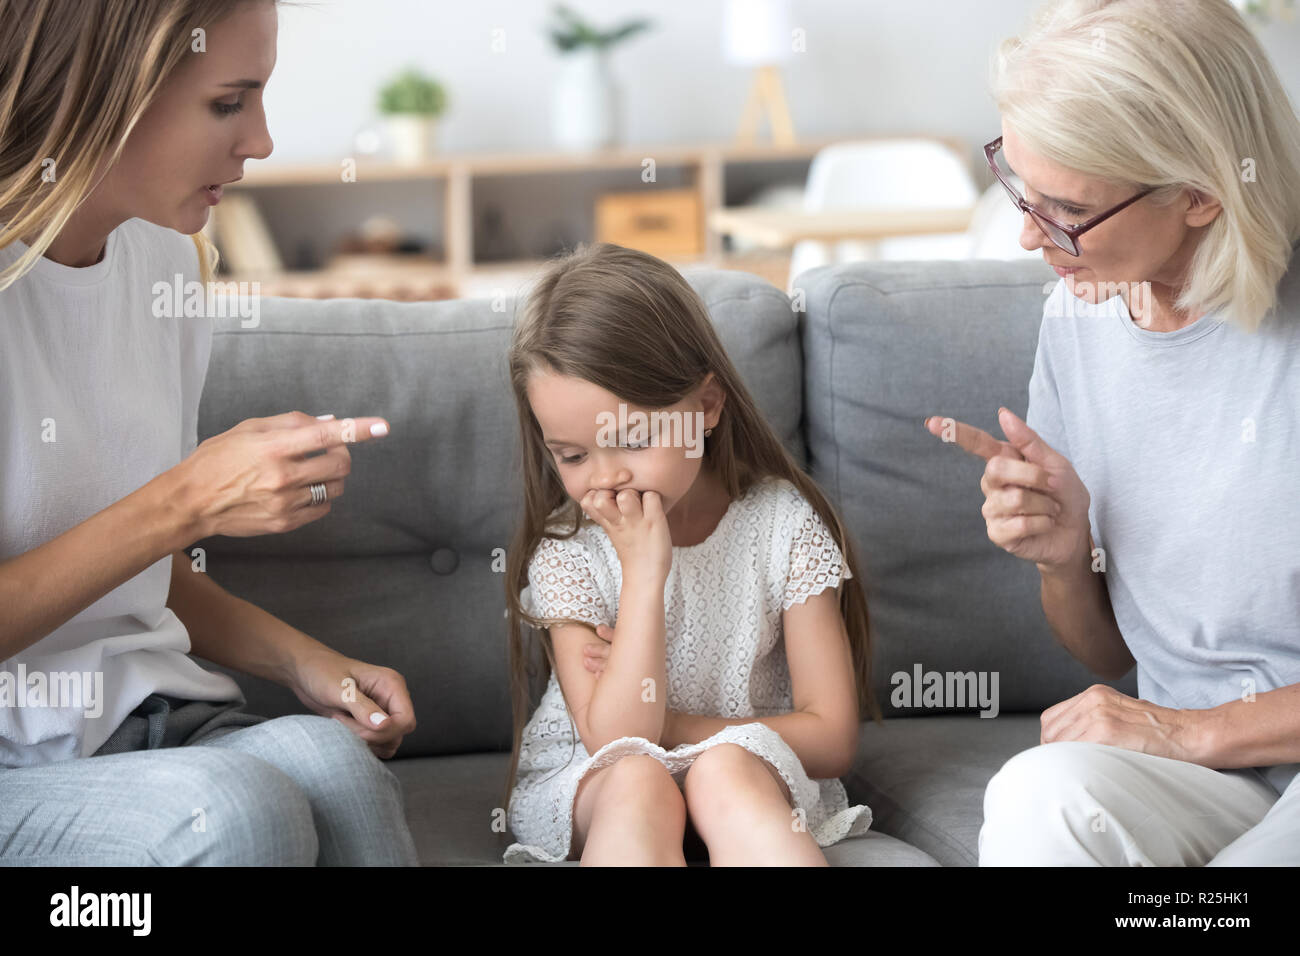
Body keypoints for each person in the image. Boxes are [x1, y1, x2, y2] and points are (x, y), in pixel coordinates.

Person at [0, 0, 418, 865]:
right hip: (18, 766)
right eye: (229, 102)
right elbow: (158, 522)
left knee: (335, 769)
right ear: (105, 91)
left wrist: (308, 663)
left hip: (145, 722)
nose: (260, 140)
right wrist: (187, 500)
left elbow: (125, 569)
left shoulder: (168, 265)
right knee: (228, 810)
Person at [925, 0, 1300, 865]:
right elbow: (1109, 656)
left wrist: (1194, 733)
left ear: (1201, 192)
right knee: (1036, 797)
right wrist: (1066, 556)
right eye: (1017, 183)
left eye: (1063, 208)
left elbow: (1174, 725)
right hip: (1210, 778)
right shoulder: (1079, 318)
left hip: (1221, 752)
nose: (1027, 234)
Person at [500, 243, 880, 865]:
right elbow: (619, 741)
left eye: (632, 439)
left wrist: (677, 730)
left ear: (704, 407)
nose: (605, 479)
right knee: (639, 780)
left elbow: (833, 737)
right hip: (598, 777)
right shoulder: (568, 550)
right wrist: (645, 572)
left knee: (725, 767)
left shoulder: (780, 523)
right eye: (572, 455)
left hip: (745, 771)